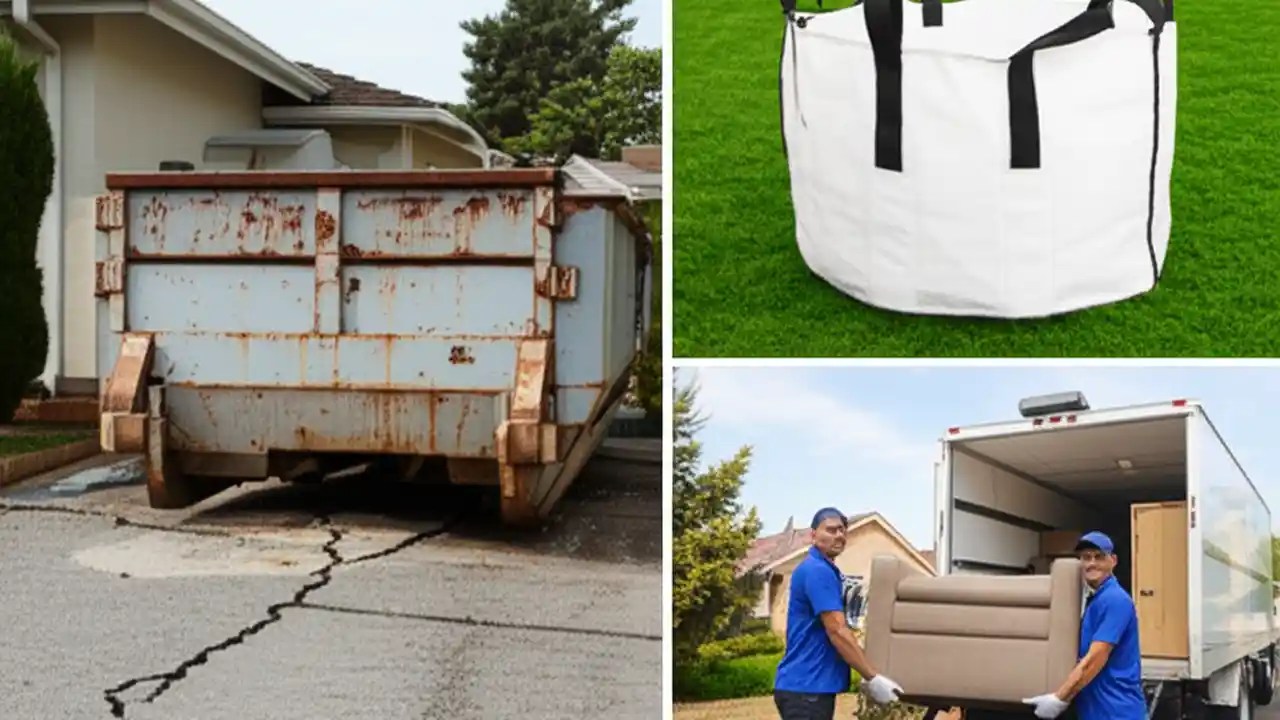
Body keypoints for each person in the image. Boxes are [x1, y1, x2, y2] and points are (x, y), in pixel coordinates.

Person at [773, 507, 904, 720]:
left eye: (843, 530)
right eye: (831, 530)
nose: (839, 535)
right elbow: (837, 630)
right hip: (806, 688)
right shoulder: (817, 571)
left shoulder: (825, 570)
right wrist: (872, 677)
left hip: (809, 689)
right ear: (813, 535)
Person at [1022, 531, 1146, 720]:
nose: (1091, 564)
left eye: (1099, 557)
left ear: (1113, 561)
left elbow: (1096, 657)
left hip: (1116, 711)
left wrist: (1059, 699)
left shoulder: (1115, 600)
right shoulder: (1095, 598)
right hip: (1097, 710)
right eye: (1086, 558)